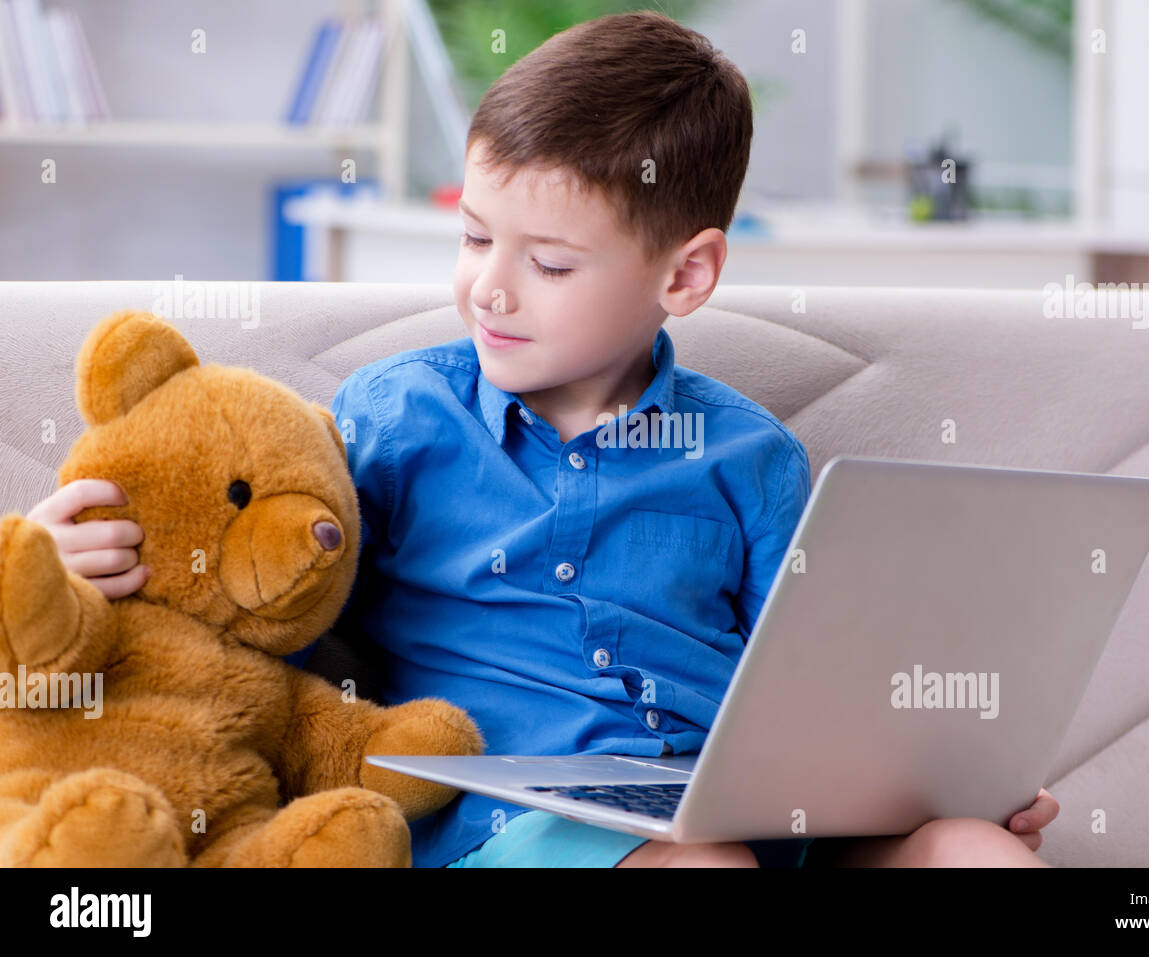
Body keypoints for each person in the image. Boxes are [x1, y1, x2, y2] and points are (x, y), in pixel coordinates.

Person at [28, 11, 1057, 868]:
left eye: (551, 264)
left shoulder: (749, 460)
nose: (491, 285)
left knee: (974, 852)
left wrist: (940, 776)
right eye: (475, 237)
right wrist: (64, 571)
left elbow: (821, 698)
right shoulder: (394, 421)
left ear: (685, 276)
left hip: (730, 829)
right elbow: (260, 588)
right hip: (504, 834)